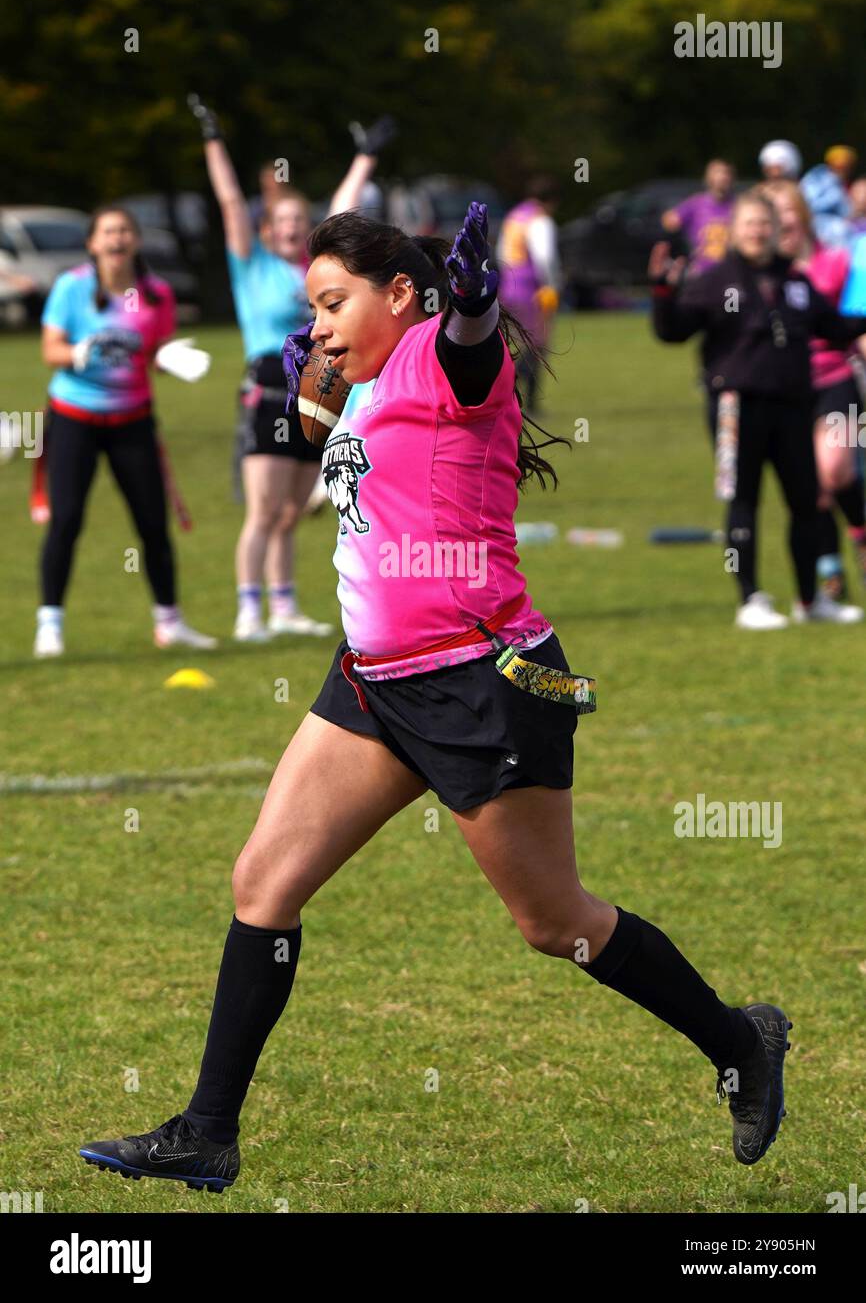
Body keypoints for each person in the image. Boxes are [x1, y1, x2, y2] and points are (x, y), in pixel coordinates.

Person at [80, 203, 792, 1192]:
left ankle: (739, 1042)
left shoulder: (442, 357)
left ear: (402, 295)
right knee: (262, 885)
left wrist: (470, 305)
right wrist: (311, 384)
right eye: (311, 307)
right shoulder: (367, 379)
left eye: (334, 302)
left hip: (480, 682)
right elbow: (330, 431)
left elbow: (466, 351)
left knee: (554, 923)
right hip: (371, 682)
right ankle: (207, 1130)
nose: (319, 321)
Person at [190, 98, 396, 640]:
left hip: (318, 389)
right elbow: (232, 202)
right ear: (267, 228)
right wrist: (214, 138)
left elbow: (345, 208)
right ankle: (248, 612)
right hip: (267, 389)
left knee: (291, 513)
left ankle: (284, 608)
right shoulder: (251, 265)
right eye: (281, 221)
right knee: (262, 511)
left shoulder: (316, 271)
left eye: (298, 222)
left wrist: (366, 157)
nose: (290, 228)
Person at [650, 190, 866, 629]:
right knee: (743, 499)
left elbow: (839, 328)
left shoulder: (795, 282)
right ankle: (750, 599)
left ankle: (811, 600)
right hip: (735, 408)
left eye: (765, 223)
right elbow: (672, 332)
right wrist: (663, 293)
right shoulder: (714, 280)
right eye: (750, 223)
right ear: (734, 229)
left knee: (806, 501)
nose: (758, 231)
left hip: (793, 405)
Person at [36, 205, 216, 659]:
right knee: (67, 519)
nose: (117, 240)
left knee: (153, 522)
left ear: (134, 241)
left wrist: (170, 360)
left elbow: (155, 349)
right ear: (93, 243)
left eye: (124, 232)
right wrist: (76, 351)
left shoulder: (155, 294)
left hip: (132, 419)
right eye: (108, 232)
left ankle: (169, 622)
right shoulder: (72, 287)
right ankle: (50, 623)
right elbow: (49, 349)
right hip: (74, 418)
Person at [763, 179, 866, 606]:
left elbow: (855, 324)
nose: (783, 219)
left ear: (803, 215)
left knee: (834, 470)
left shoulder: (838, 263)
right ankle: (830, 570)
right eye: (774, 212)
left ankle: (859, 532)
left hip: (837, 378)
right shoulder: (762, 276)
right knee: (812, 488)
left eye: (788, 210)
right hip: (785, 388)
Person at [496, 174, 562, 416]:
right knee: (538, 346)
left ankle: (511, 395)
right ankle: (529, 402)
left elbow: (501, 251)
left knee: (514, 344)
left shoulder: (515, 216)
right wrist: (554, 285)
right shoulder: (540, 221)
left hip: (509, 287)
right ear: (552, 201)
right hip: (534, 291)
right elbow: (545, 257)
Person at [661, 158, 736, 275]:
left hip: (731, 271)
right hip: (701, 272)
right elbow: (669, 221)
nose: (722, 177)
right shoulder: (696, 204)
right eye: (717, 173)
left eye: (726, 173)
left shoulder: (739, 206)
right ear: (708, 178)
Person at [800, 146, 858, 249]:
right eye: (837, 166)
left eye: (845, 166)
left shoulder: (851, 187)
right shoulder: (818, 183)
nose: (841, 170)